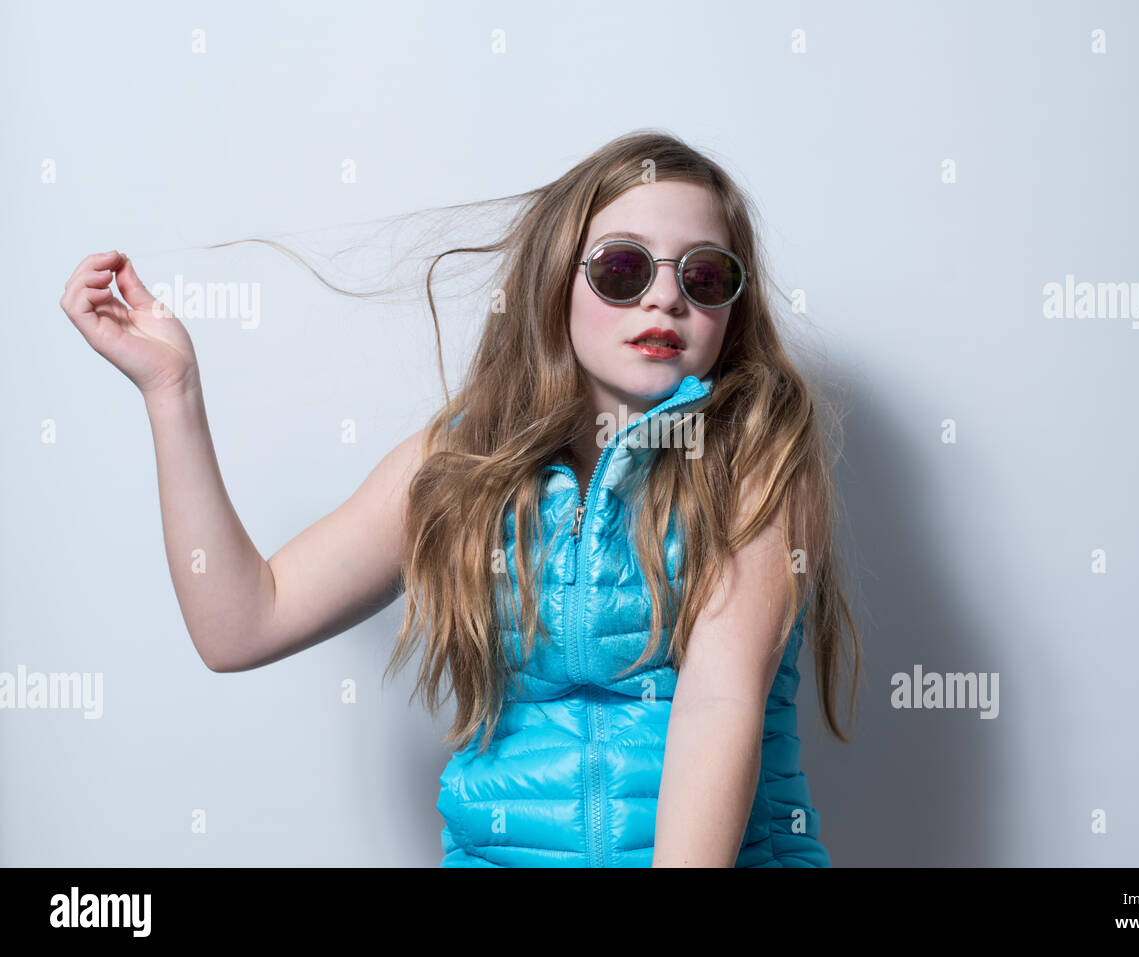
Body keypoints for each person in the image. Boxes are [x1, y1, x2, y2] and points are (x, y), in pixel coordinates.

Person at [56, 129, 862, 867]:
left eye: (704, 275)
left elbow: (718, 703)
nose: (664, 298)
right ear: (555, 284)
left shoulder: (753, 458)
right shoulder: (459, 465)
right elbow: (241, 622)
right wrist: (173, 391)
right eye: (622, 268)